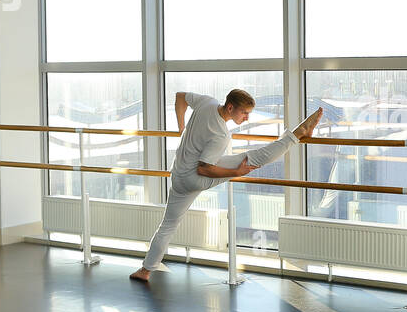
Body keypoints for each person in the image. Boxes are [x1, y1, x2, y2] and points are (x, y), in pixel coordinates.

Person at [130, 89, 322, 282]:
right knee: (251, 159)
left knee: (168, 226)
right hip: (195, 177)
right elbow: (204, 169)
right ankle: (296, 135)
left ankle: (145, 271)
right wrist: (235, 172)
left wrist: (182, 130)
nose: (246, 118)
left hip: (178, 175)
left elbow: (180, 97)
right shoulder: (221, 134)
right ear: (230, 107)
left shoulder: (206, 102)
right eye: (244, 113)